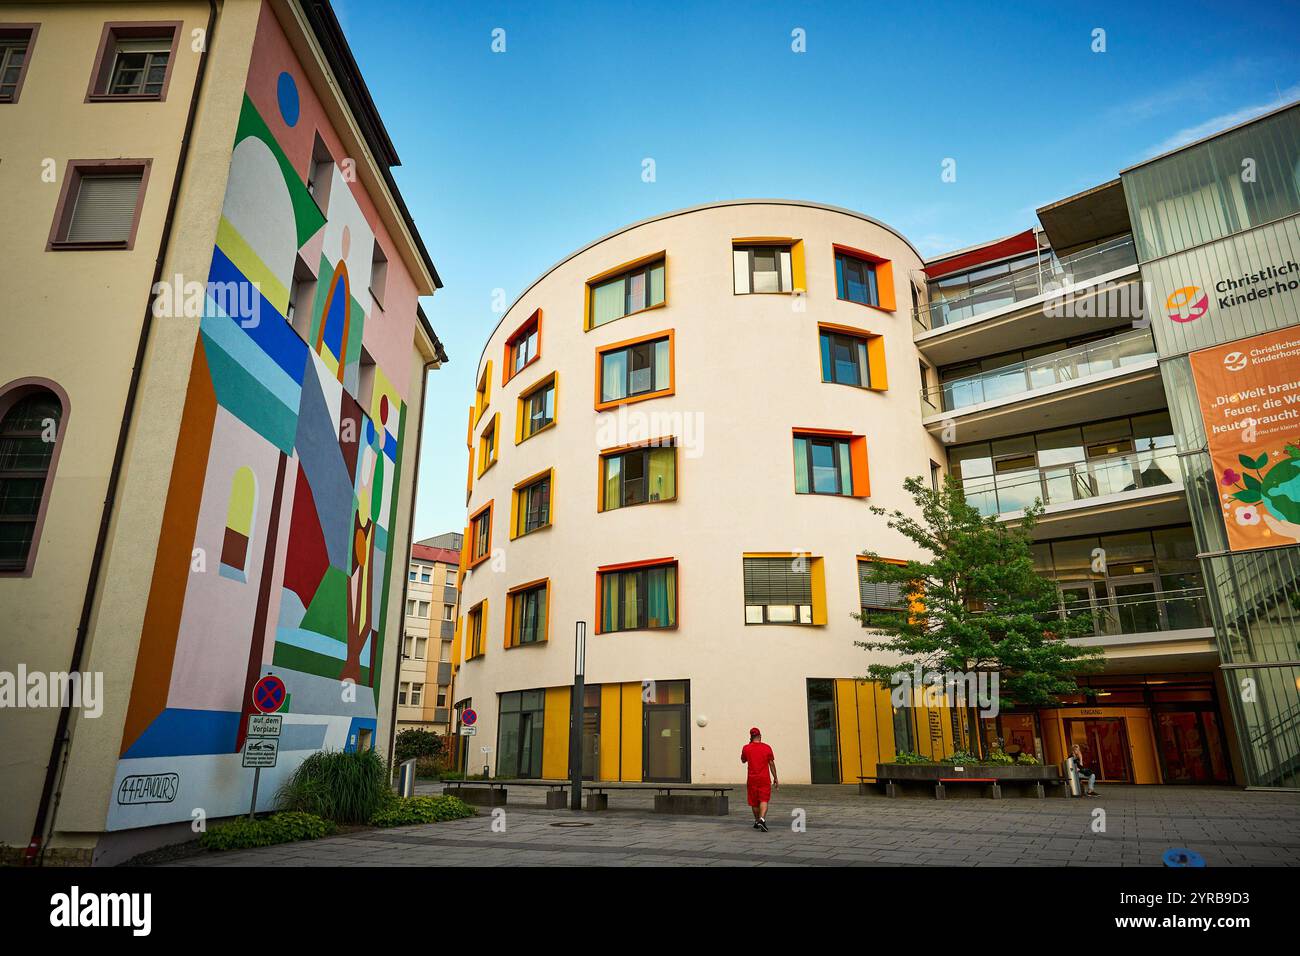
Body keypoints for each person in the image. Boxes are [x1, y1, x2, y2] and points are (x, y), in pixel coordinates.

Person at [740, 727, 778, 831]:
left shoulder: (746, 748)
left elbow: (743, 760)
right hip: (764, 778)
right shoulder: (767, 747)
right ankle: (762, 819)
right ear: (760, 736)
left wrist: (748, 747)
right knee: (764, 799)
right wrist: (775, 777)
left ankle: (757, 820)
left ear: (751, 737)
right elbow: (771, 763)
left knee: (754, 801)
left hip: (752, 779)